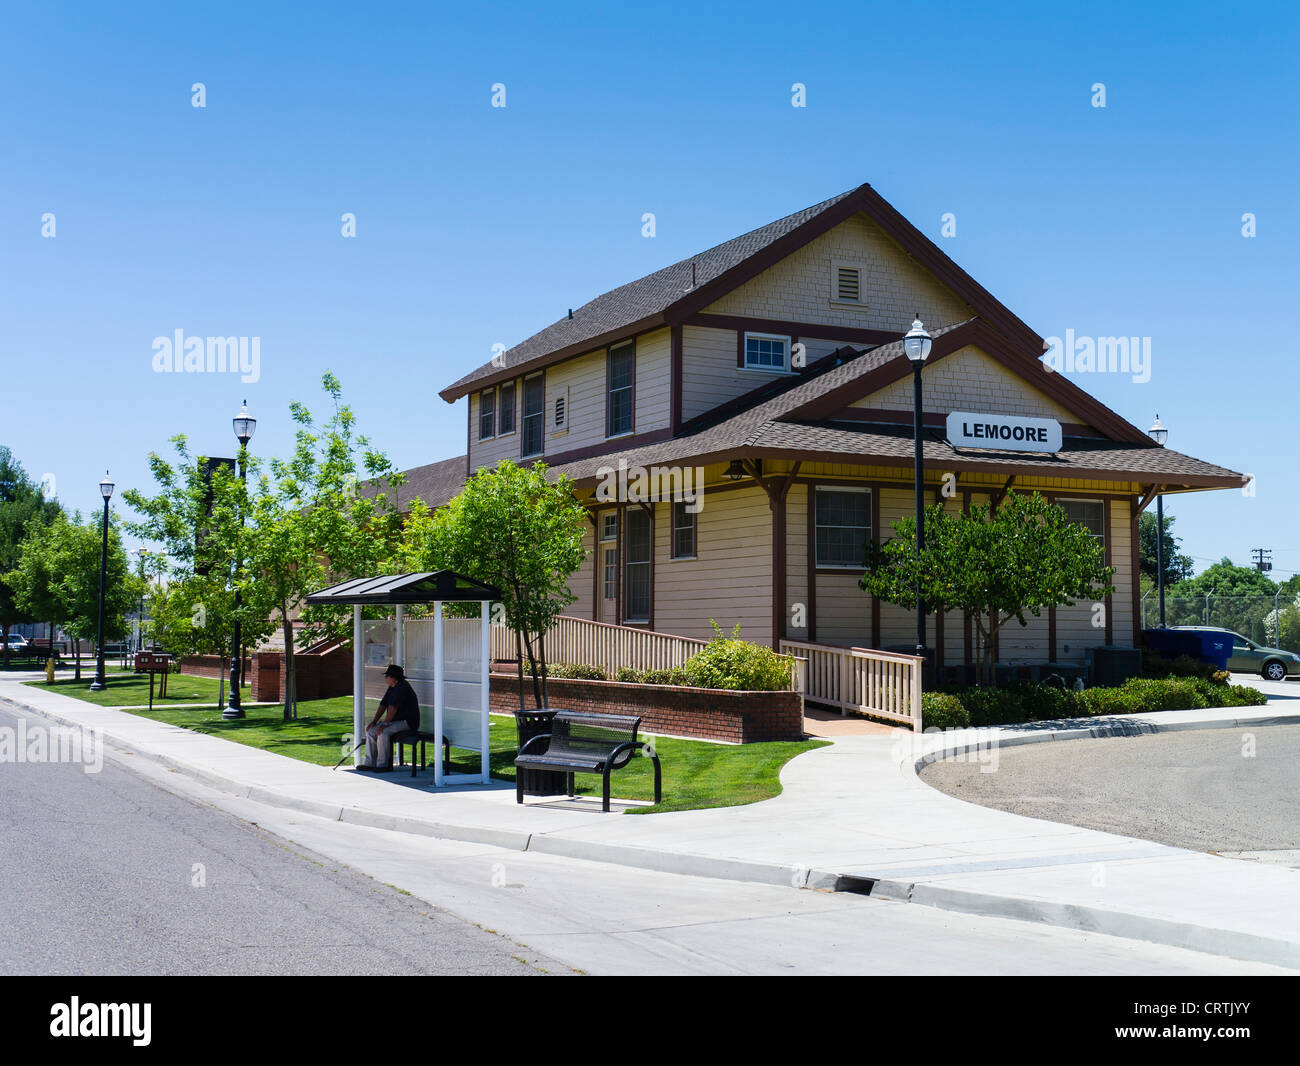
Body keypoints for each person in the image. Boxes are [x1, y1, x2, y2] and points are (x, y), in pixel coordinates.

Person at [358, 664, 420, 772]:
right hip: (395, 721)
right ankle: (370, 763)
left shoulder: (402, 687)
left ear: (394, 677)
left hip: (407, 722)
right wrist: (374, 722)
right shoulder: (392, 687)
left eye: (387, 676)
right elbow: (383, 705)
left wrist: (385, 724)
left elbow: (392, 708)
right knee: (371, 732)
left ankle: (383, 764)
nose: (385, 678)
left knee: (382, 733)